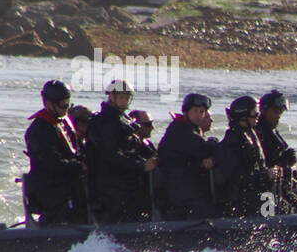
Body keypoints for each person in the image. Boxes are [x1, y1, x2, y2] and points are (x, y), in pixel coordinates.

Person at [85, 79, 158, 223]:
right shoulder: (103, 122)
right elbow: (111, 155)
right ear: (111, 97)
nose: (124, 101)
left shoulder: (123, 120)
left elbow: (137, 145)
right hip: (109, 184)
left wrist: (156, 158)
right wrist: (142, 165)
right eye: (121, 97)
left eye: (127, 98)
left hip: (126, 180)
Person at [24, 80, 87, 226]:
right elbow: (51, 163)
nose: (66, 108)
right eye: (62, 104)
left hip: (68, 181)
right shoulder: (39, 130)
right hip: (50, 187)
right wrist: (79, 166)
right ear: (48, 103)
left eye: (67, 103)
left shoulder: (63, 123)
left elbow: (76, 153)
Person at [215, 95, 282, 216]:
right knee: (277, 210)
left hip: (258, 193)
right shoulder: (232, 141)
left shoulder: (250, 134)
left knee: (289, 205)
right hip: (242, 200)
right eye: (254, 114)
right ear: (243, 116)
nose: (258, 117)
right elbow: (238, 177)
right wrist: (265, 175)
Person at [157, 92, 218, 220]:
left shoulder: (189, 129)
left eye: (201, 112)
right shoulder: (180, 130)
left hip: (184, 183)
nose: (198, 115)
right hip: (177, 186)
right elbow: (204, 148)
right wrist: (213, 142)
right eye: (195, 111)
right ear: (186, 112)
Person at [257, 89, 297, 212]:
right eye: (275, 112)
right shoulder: (258, 133)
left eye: (280, 112)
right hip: (271, 191)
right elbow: (263, 163)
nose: (278, 116)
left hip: (285, 188)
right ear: (263, 111)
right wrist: (282, 160)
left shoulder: (272, 131)